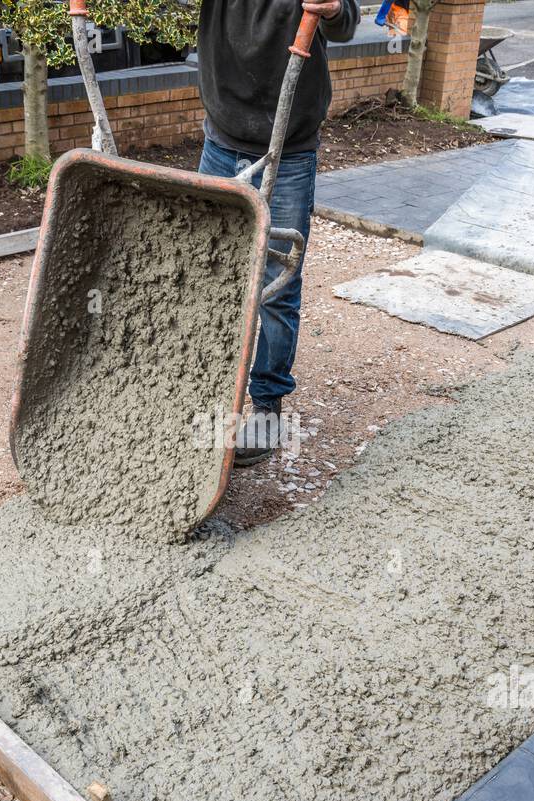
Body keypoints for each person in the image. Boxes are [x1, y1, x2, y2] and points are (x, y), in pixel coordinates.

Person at [196, 0, 361, 466]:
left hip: (288, 149)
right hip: (221, 139)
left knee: (276, 284)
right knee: (210, 273)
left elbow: (347, 21)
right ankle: (204, 389)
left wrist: (330, 10)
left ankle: (267, 409)